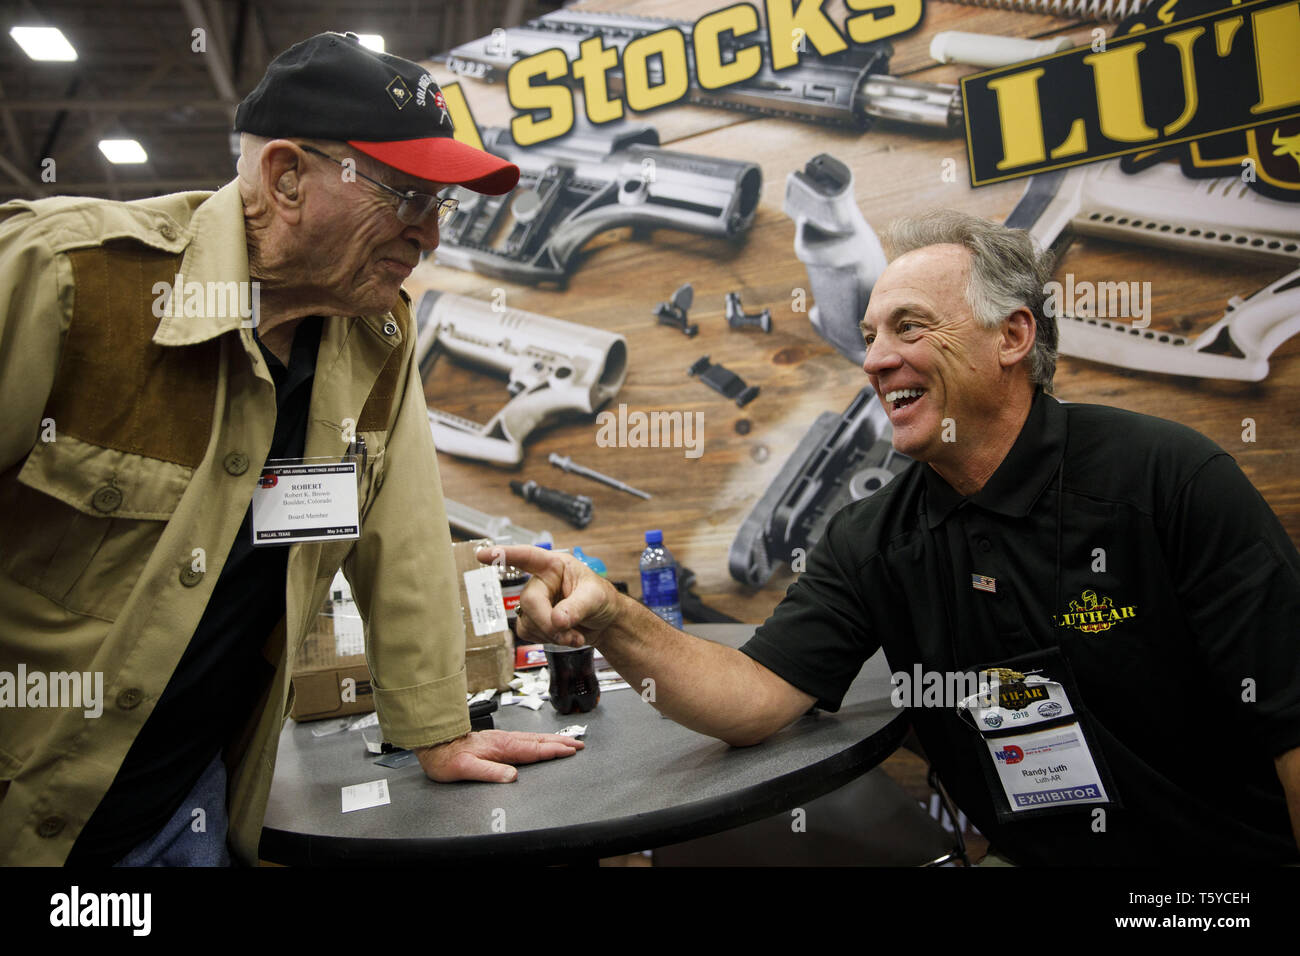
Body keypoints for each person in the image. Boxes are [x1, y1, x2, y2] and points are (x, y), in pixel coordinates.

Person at [487, 209, 1300, 865]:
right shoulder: (873, 537)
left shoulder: (1167, 480)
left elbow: (1291, 726)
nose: (875, 361)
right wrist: (612, 617)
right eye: (871, 336)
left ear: (1012, 337)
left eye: (908, 328)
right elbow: (751, 701)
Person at [0, 32, 582, 868]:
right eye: (406, 196)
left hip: (189, 808)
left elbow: (405, 539)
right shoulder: (66, 278)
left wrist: (437, 731)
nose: (430, 237)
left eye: (440, 205)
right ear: (285, 178)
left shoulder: (377, 335)